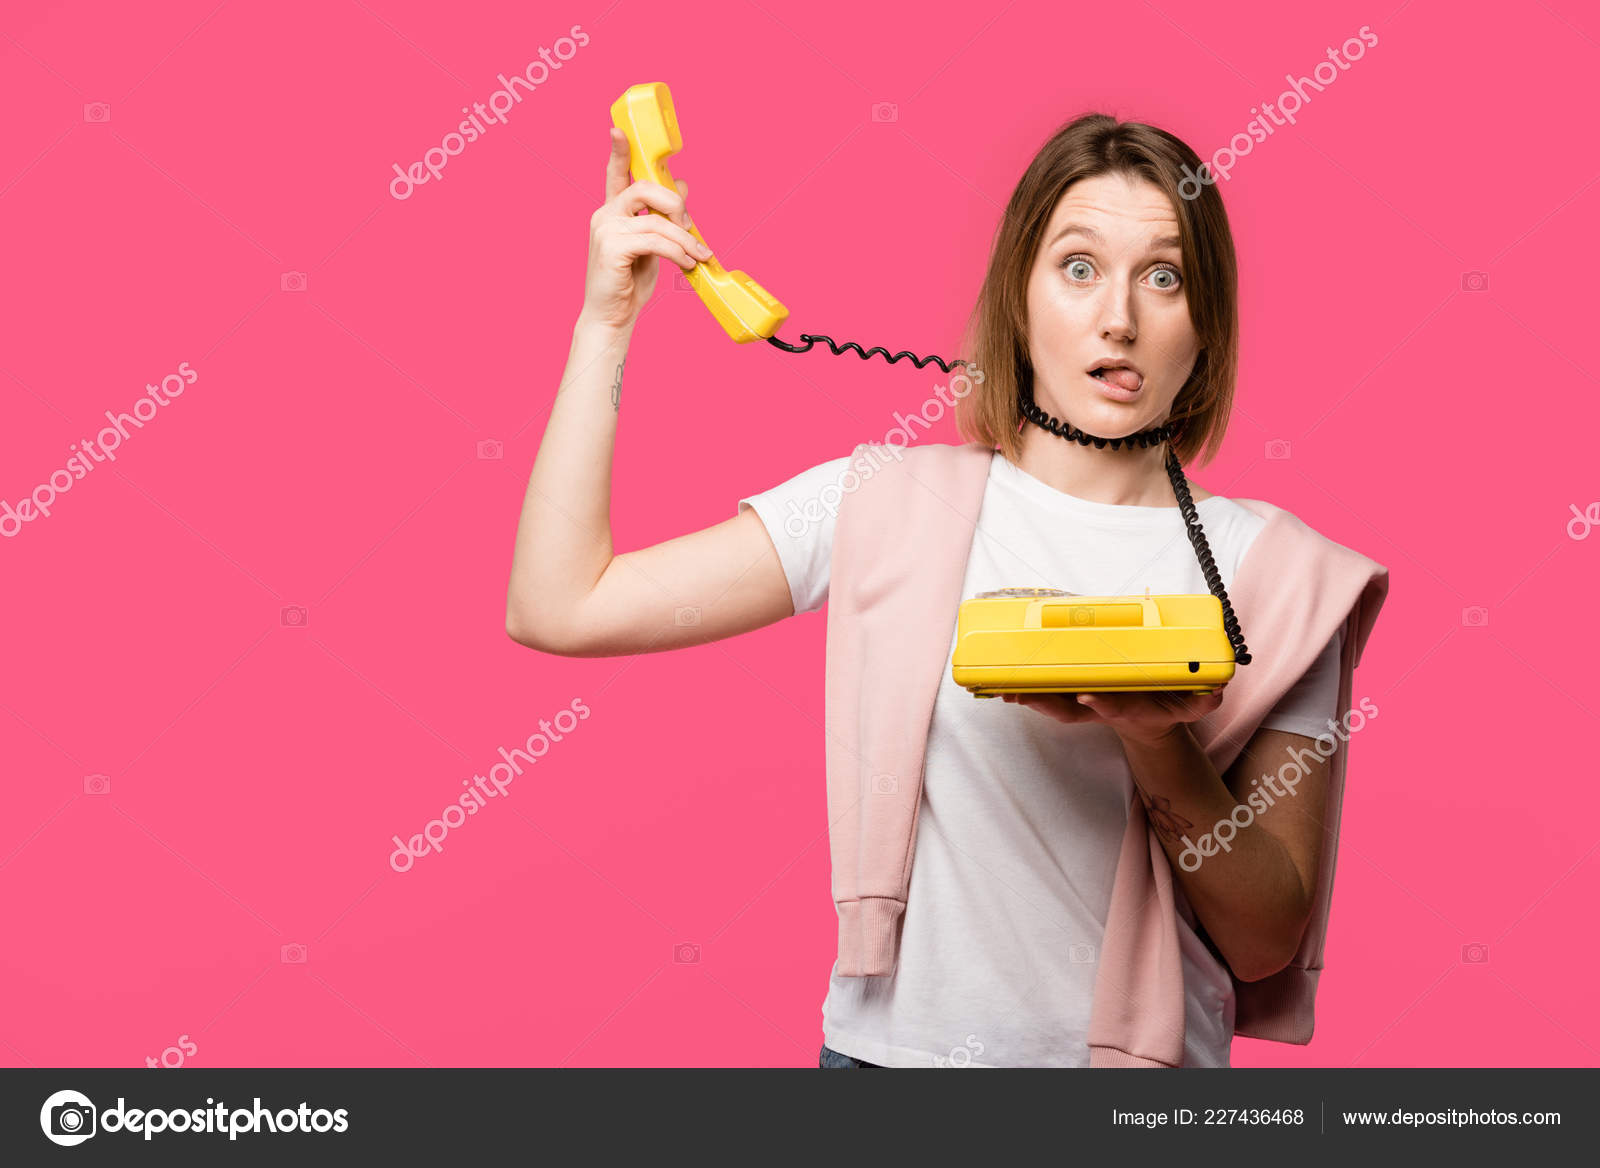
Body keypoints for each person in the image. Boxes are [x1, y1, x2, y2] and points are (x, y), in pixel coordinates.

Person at [507, 113, 1366, 1068]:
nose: (1118, 316)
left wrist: (1155, 740)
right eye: (1078, 267)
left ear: (1206, 324)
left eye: (1163, 277)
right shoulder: (881, 504)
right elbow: (559, 605)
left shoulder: (1282, 577)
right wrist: (605, 325)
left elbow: (1263, 942)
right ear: (1019, 301)